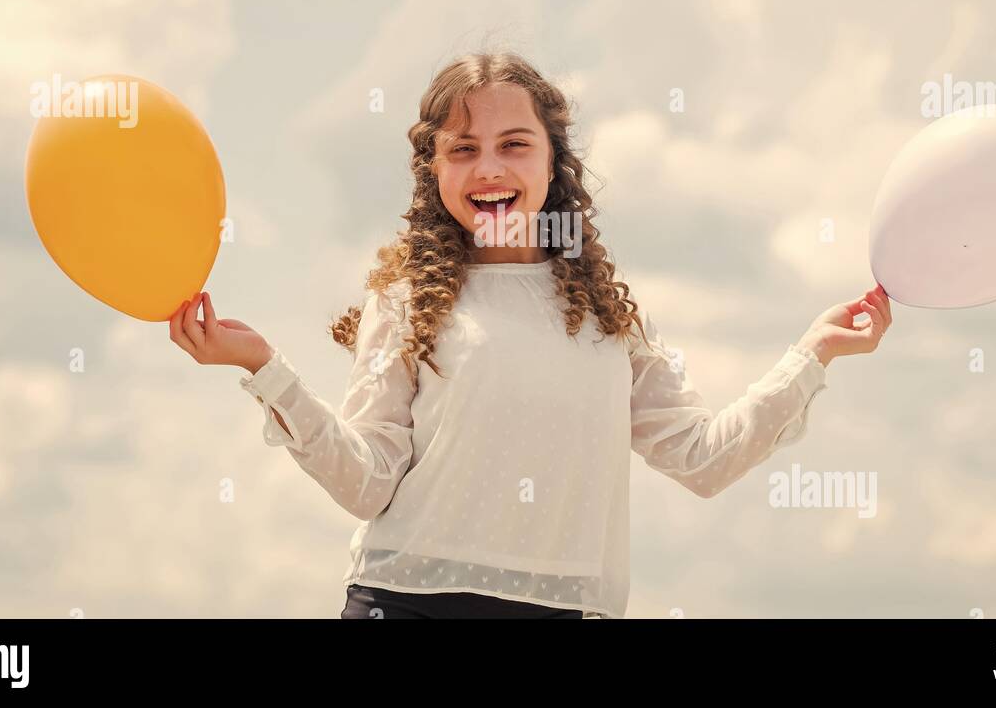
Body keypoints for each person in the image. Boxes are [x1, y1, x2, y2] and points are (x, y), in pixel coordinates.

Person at [167, 51, 891, 619]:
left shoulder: (610, 319)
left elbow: (703, 458)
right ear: (435, 170)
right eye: (462, 149)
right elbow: (366, 482)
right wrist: (263, 366)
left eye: (513, 144)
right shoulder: (407, 300)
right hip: (408, 603)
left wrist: (813, 353)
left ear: (553, 160)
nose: (488, 168)